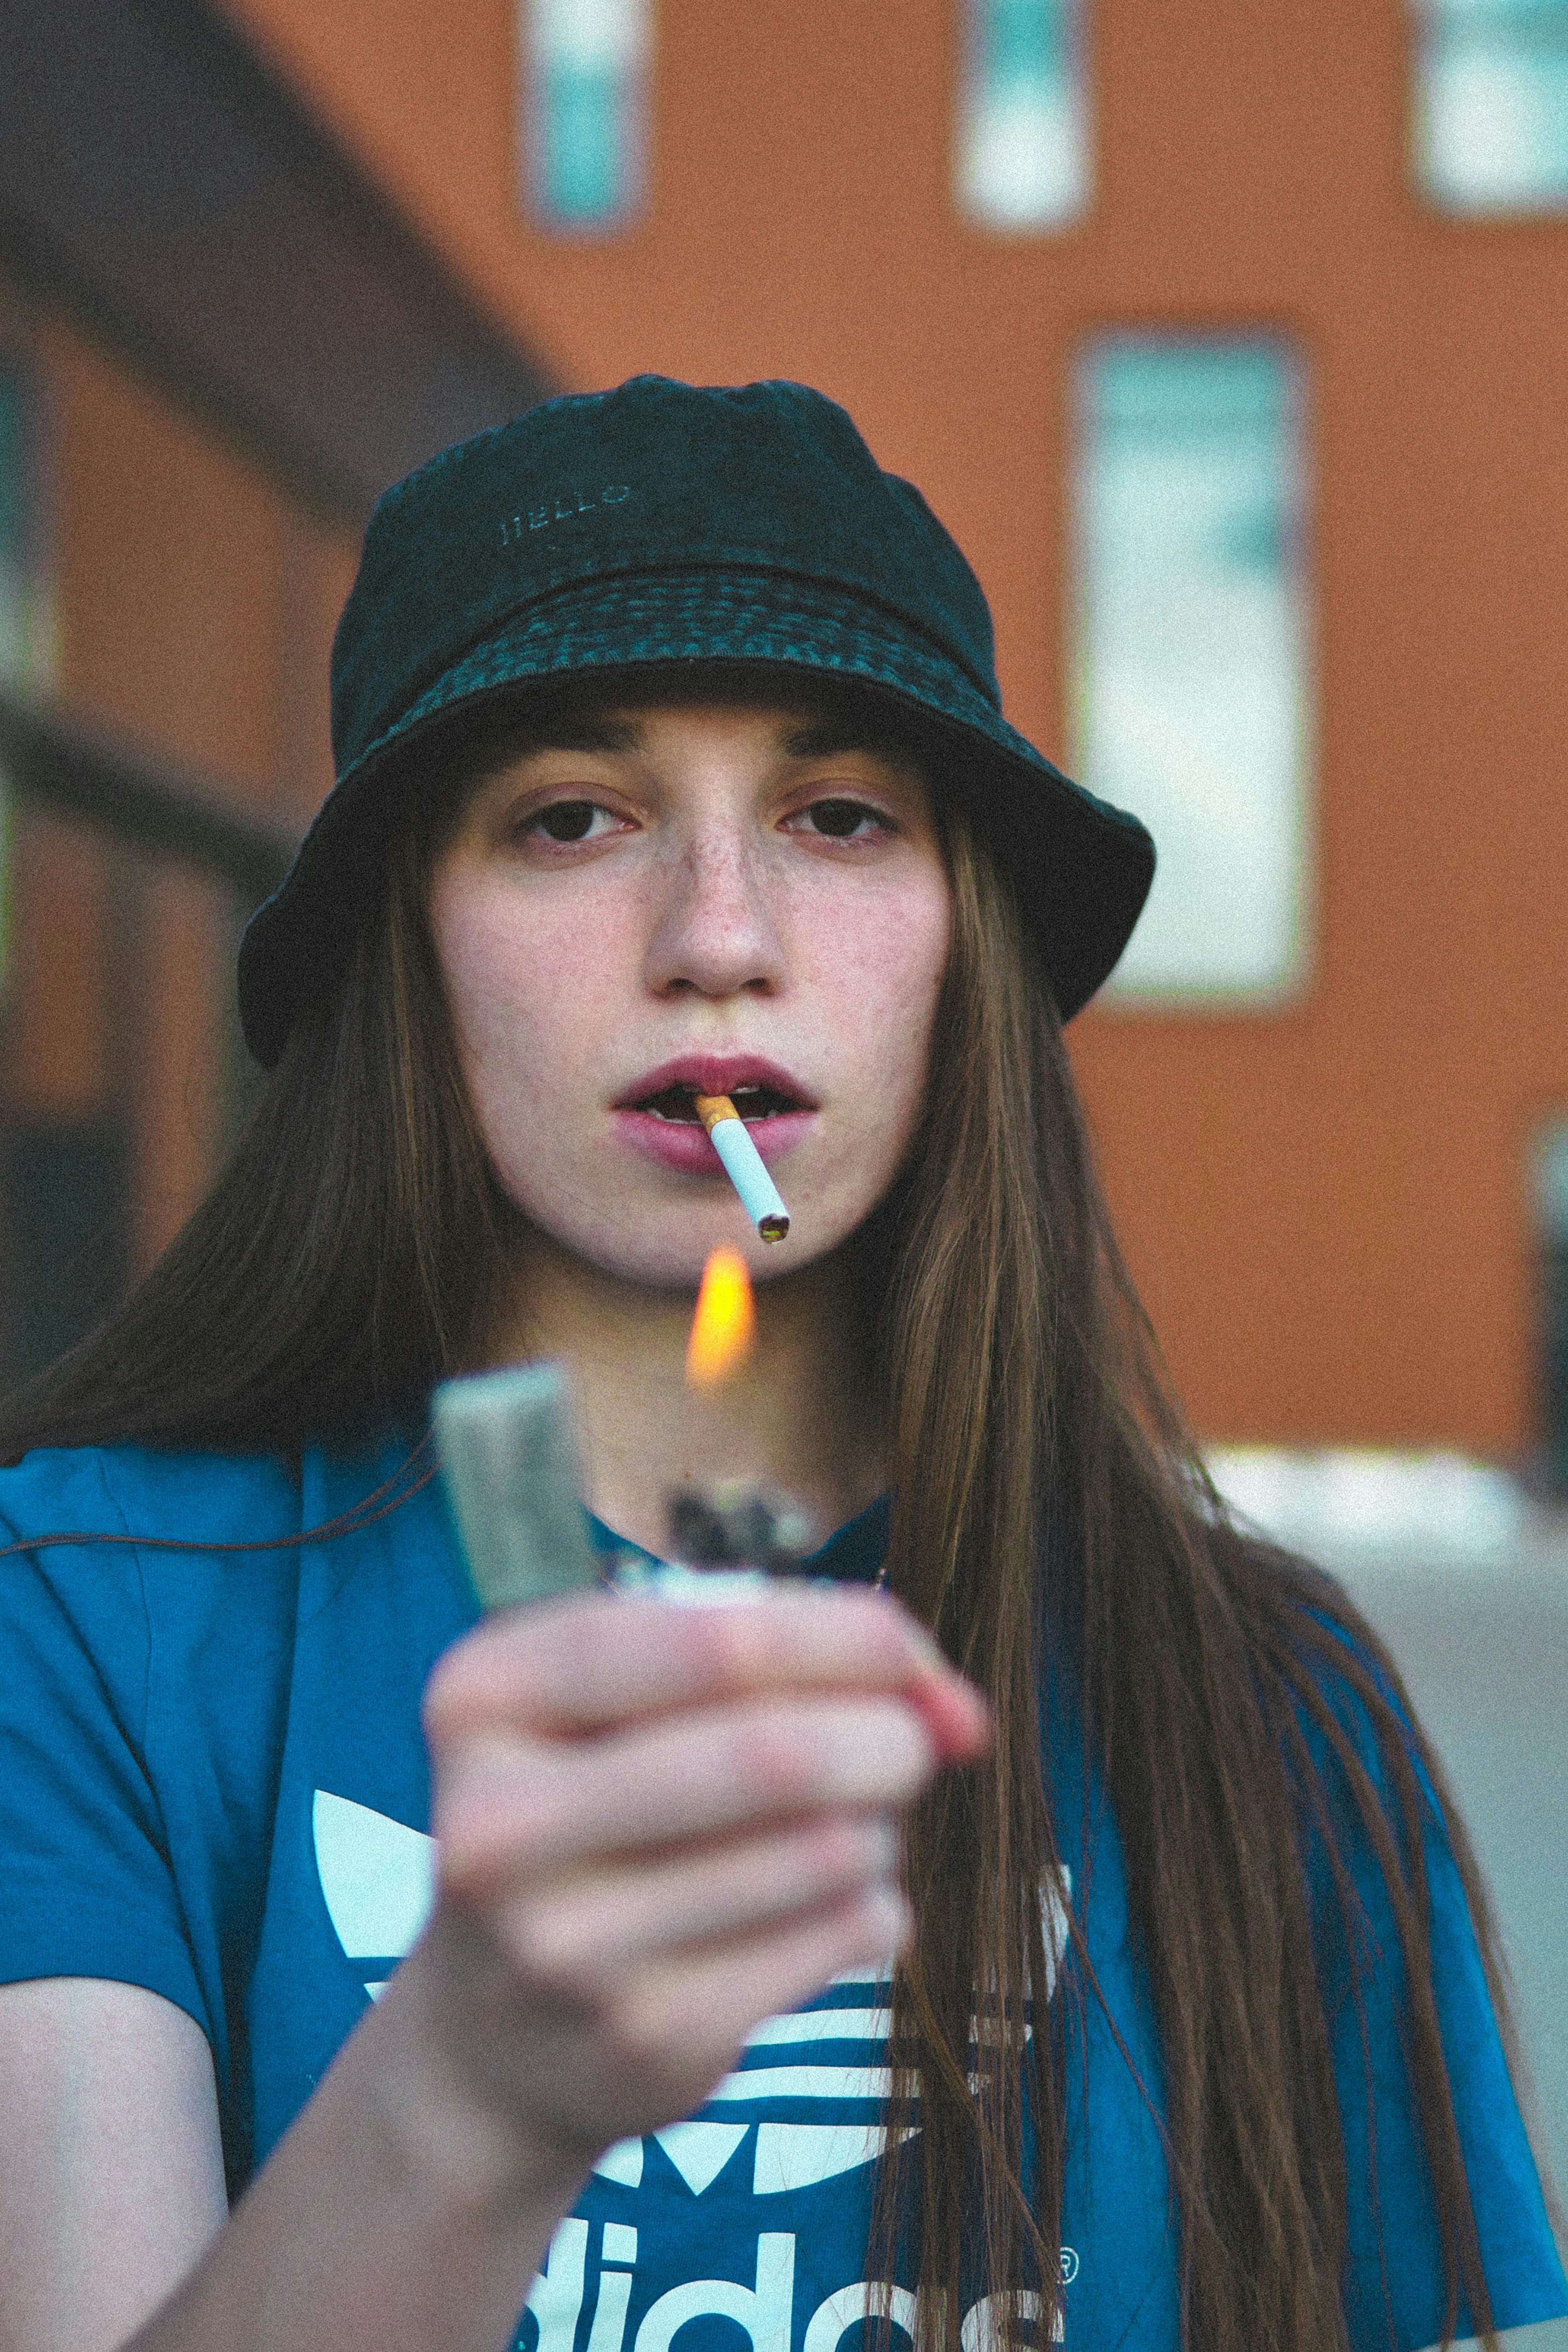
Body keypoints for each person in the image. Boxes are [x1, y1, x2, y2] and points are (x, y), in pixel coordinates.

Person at [0, 376, 1559, 2352]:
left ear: (961, 937)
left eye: (837, 817)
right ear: (409, 940)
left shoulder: (1267, 1705)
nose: (718, 935)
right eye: (570, 817)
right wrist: (458, 2104)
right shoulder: (88, 1616)